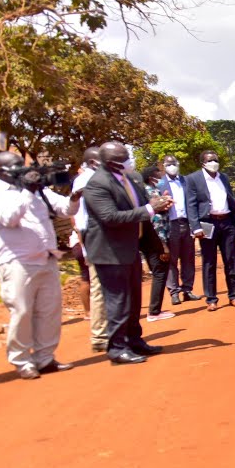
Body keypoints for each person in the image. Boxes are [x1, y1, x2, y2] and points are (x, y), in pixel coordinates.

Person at [0, 150, 84, 379]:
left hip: (46, 258)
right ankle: (22, 360)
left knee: (49, 311)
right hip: (17, 261)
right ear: (3, 171)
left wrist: (75, 197)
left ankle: (45, 358)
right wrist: (27, 191)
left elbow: (65, 209)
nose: (24, 169)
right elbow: (10, 218)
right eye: (17, 166)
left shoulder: (40, 191)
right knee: (22, 311)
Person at [83, 142, 173, 365]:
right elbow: (110, 217)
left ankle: (135, 340)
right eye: (123, 158)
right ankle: (117, 348)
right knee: (118, 301)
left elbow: (144, 205)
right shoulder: (97, 184)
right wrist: (151, 208)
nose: (128, 160)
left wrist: (159, 204)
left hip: (133, 245)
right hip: (109, 250)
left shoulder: (132, 179)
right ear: (110, 162)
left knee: (134, 299)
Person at [185, 150, 235, 312]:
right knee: (209, 262)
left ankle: (234, 296)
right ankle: (211, 299)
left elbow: (231, 200)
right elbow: (191, 205)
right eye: (210, 160)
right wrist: (195, 227)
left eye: (215, 159)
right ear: (203, 163)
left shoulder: (223, 177)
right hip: (207, 223)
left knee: (231, 260)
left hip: (226, 222)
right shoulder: (193, 179)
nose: (214, 162)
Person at [71, 145, 112, 353]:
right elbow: (80, 221)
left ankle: (108, 332)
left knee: (107, 288)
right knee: (97, 288)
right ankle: (100, 336)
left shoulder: (99, 178)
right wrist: (87, 249)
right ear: (94, 162)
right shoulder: (84, 181)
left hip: (104, 241)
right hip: (95, 241)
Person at [157, 154, 201, 306]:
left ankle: (187, 290)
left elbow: (193, 202)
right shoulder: (160, 183)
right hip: (171, 224)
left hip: (186, 222)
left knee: (188, 259)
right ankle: (174, 292)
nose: (172, 166)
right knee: (172, 260)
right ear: (163, 166)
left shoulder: (185, 181)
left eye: (174, 163)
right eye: (168, 164)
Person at [141, 165, 175, 322]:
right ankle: (154, 312)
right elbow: (155, 218)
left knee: (161, 272)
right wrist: (163, 245)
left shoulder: (154, 191)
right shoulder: (149, 192)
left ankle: (155, 310)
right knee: (159, 272)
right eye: (157, 174)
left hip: (157, 237)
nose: (160, 176)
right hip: (156, 238)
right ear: (150, 176)